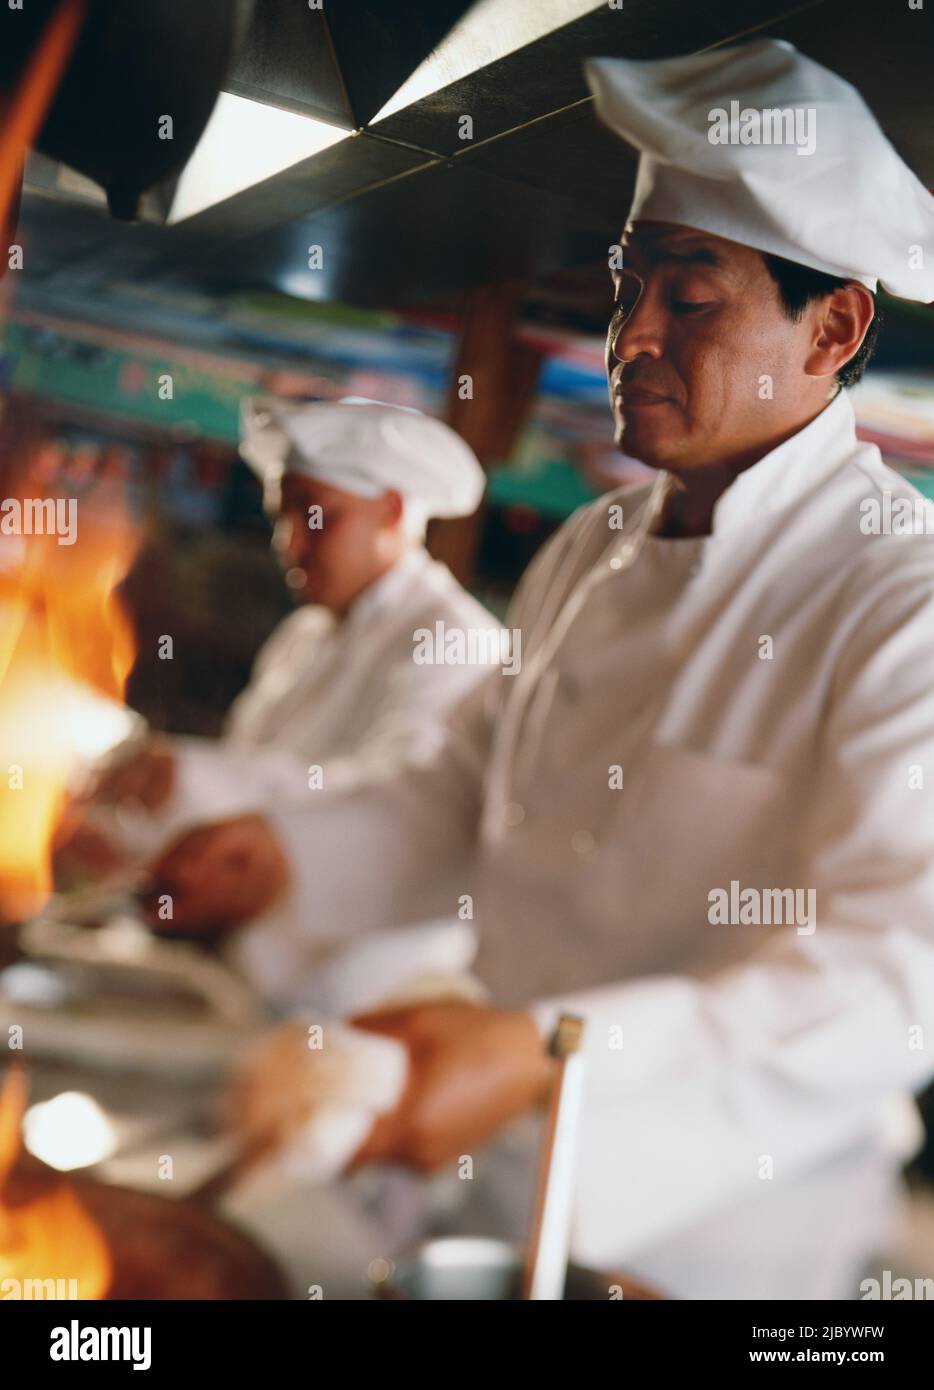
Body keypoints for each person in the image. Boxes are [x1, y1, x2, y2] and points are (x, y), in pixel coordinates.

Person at [143, 41, 934, 1298]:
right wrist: (291, 848)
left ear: (832, 327)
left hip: (716, 1242)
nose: (631, 339)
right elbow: (463, 785)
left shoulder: (901, 595)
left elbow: (890, 973)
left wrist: (557, 1050)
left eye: (691, 297)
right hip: (500, 1171)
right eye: (630, 290)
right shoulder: (592, 546)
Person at [57, 398, 498, 965]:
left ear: (391, 511)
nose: (291, 542)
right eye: (283, 518)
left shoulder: (457, 639)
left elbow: (392, 807)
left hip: (344, 969)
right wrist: (133, 837)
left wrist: (189, 777)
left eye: (318, 516)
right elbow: (248, 785)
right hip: (247, 947)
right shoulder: (303, 636)